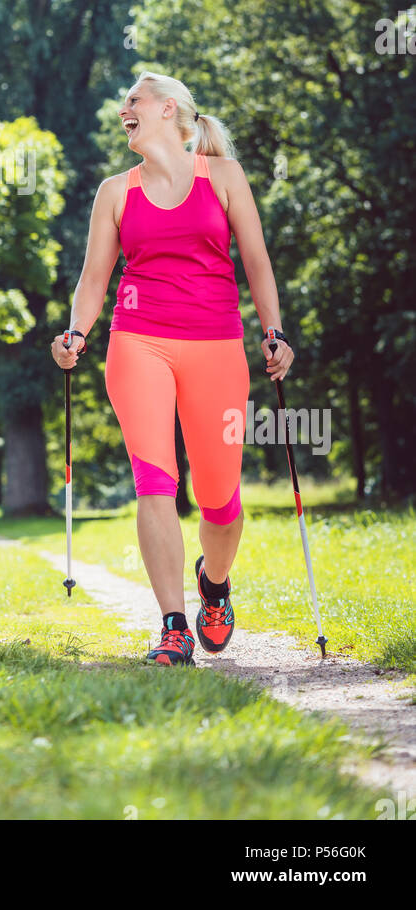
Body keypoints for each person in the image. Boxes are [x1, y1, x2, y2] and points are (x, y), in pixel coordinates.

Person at [51, 71, 294, 666]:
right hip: (138, 343)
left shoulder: (225, 177)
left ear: (168, 109)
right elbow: (93, 282)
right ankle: (173, 625)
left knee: (220, 502)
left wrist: (275, 331)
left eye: (132, 100)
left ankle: (214, 583)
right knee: (155, 482)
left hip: (217, 345)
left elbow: (257, 263)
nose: (123, 110)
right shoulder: (115, 192)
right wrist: (76, 333)